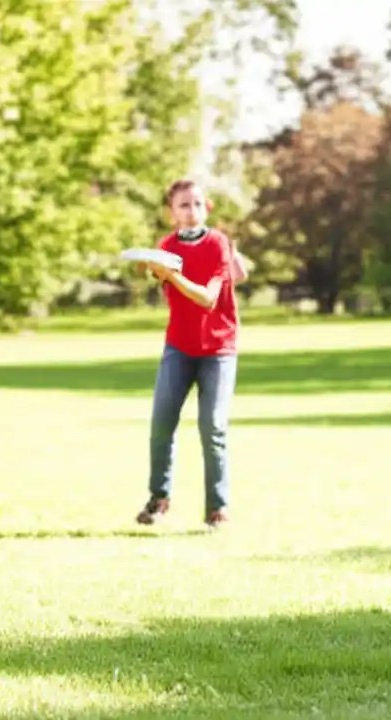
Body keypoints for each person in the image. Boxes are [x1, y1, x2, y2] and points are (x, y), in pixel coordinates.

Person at [136, 179, 248, 530]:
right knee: (161, 425)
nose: (191, 210)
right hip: (179, 347)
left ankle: (217, 508)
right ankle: (159, 499)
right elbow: (160, 276)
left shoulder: (218, 242)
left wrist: (172, 274)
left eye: (197, 203)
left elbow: (208, 298)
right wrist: (158, 269)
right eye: (184, 204)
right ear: (172, 213)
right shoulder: (166, 247)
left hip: (219, 348)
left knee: (212, 427)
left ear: (207, 207)